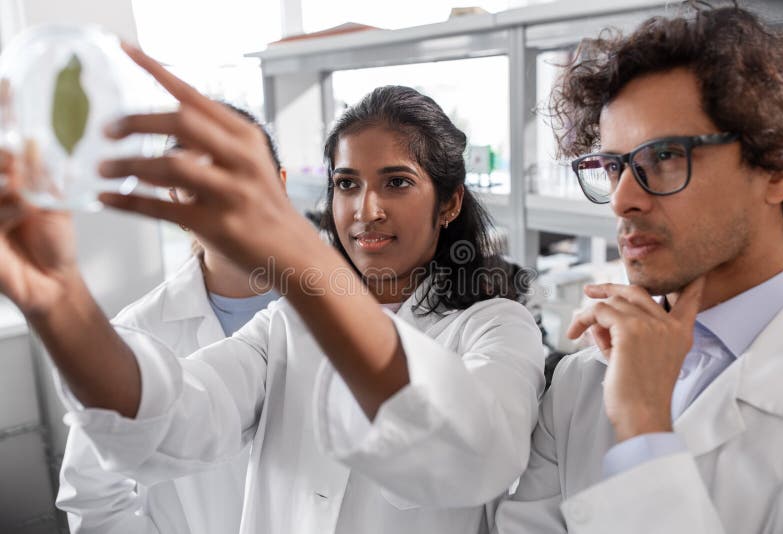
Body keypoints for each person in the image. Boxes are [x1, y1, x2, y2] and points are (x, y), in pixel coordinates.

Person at [0, 76, 544, 533]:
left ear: (449, 202)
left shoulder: (498, 328)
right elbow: (182, 416)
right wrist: (61, 301)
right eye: (346, 184)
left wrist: (300, 255)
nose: (366, 209)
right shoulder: (285, 326)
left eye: (397, 182)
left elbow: (476, 459)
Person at [494, 4, 783, 533]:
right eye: (613, 166)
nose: (620, 200)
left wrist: (641, 425)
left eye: (664, 157)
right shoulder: (578, 381)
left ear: (779, 168)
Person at [54, 104, 285, 534]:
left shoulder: (340, 309)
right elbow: (93, 496)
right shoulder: (137, 333)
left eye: (236, 172)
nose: (219, 195)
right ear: (174, 200)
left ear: (280, 185)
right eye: (194, 182)